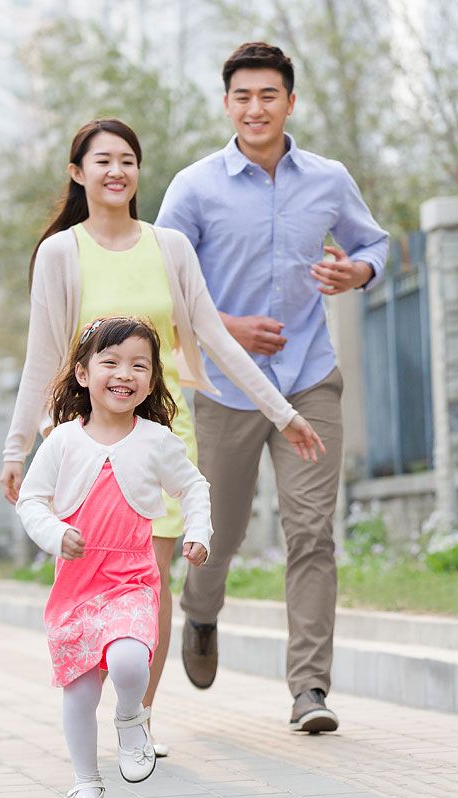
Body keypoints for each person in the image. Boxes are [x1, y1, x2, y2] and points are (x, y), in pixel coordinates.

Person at [0, 118, 324, 754]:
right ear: (78, 173)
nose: (117, 171)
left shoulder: (170, 247)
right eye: (102, 161)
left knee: (149, 578)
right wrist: (19, 448)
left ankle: (136, 719)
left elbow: (216, 340)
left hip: (162, 435)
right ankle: (93, 695)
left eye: (128, 160)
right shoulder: (61, 254)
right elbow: (43, 358)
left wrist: (282, 412)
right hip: (85, 441)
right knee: (95, 577)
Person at [156, 42, 388, 733]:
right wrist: (225, 326)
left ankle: (309, 689)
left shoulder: (327, 179)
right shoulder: (194, 187)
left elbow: (373, 244)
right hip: (226, 388)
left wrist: (359, 274)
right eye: (242, 96)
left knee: (311, 532)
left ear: (290, 101)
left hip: (309, 379)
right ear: (226, 104)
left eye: (268, 95)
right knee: (216, 534)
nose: (255, 108)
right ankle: (200, 610)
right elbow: (161, 282)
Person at [16, 316, 210, 798]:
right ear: (83, 373)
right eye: (111, 362)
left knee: (129, 662)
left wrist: (197, 533)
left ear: (151, 379)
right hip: (77, 584)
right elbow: (32, 501)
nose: (125, 373)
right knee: (79, 691)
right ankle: (85, 782)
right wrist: (56, 534)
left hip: (130, 578)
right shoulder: (61, 441)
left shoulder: (156, 440)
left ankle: (131, 718)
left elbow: (193, 487)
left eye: (139, 365)